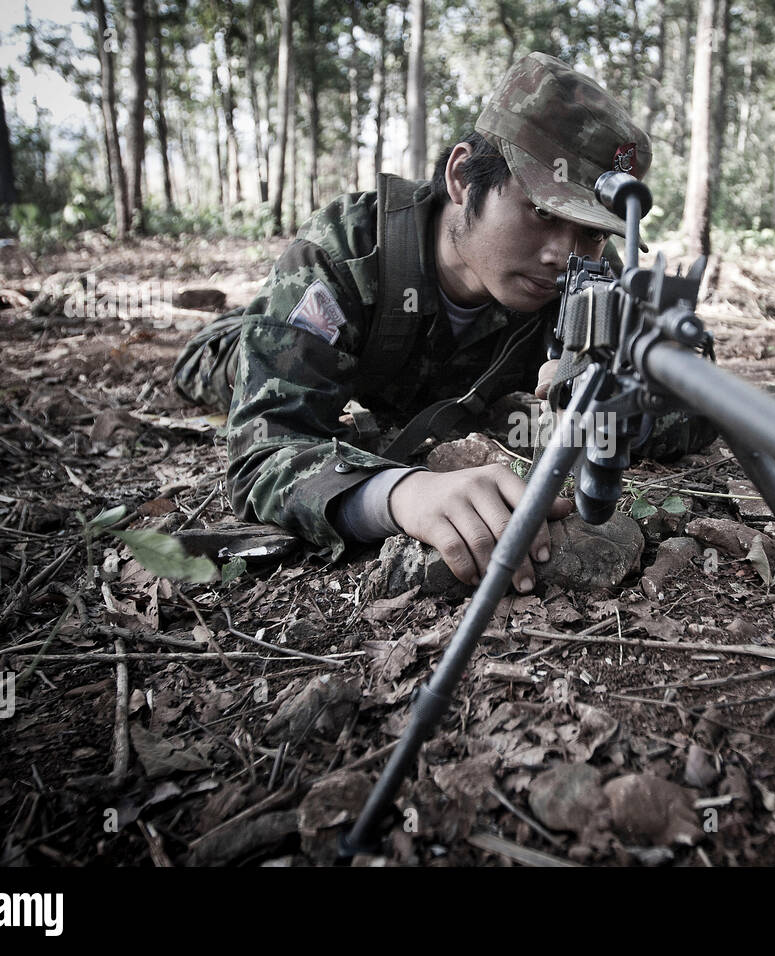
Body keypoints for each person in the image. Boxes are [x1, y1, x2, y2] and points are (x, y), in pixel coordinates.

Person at [172, 52, 714, 595]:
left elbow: (693, 398)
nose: (560, 253)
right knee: (224, 361)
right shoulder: (346, 253)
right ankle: (243, 322)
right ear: (462, 177)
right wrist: (397, 494)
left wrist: (621, 405)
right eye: (543, 213)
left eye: (591, 231)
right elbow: (264, 446)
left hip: (443, 394)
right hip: (303, 347)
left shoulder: (586, 280)